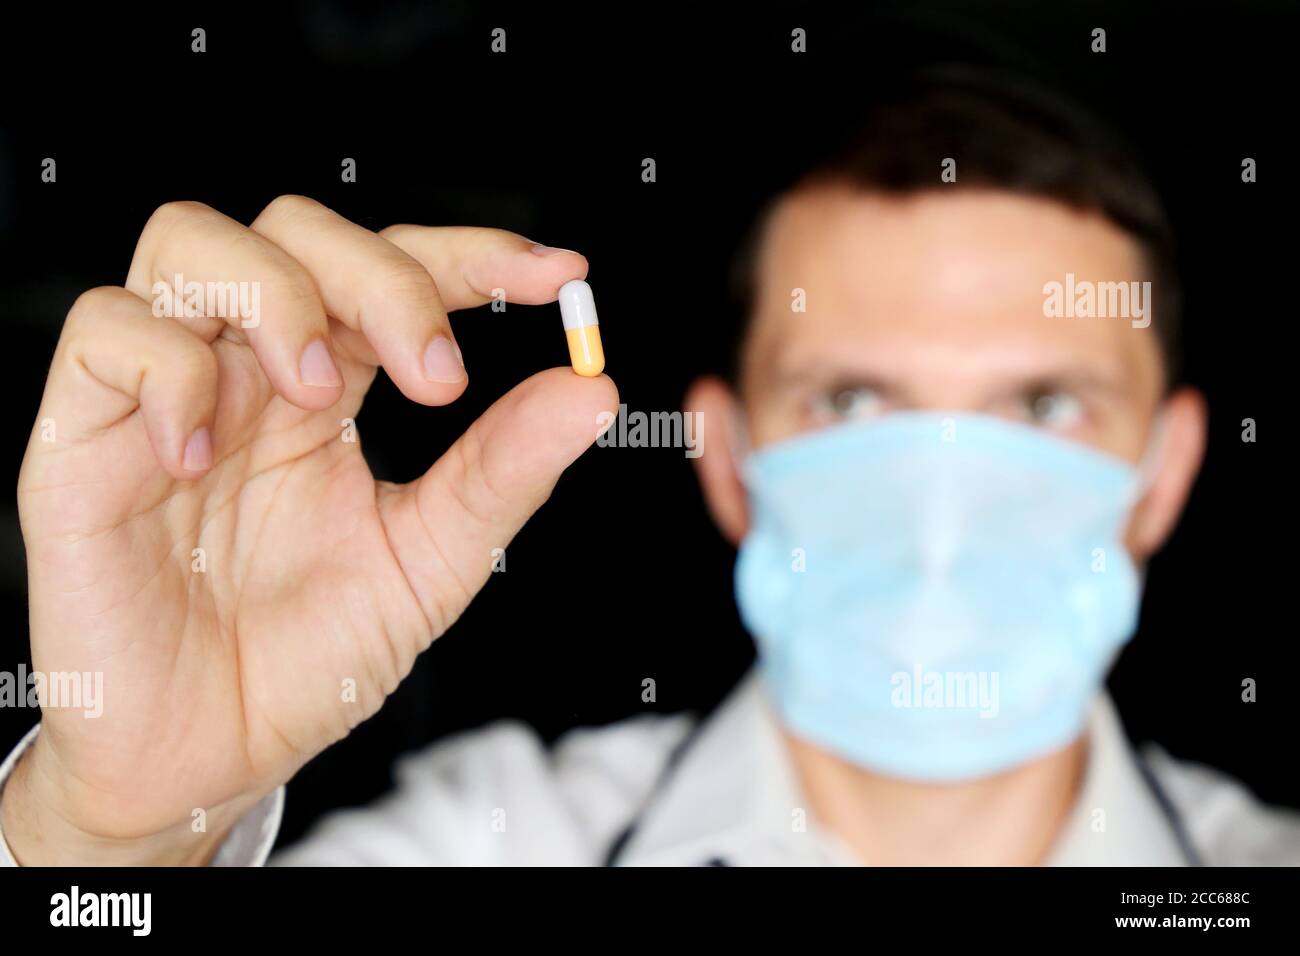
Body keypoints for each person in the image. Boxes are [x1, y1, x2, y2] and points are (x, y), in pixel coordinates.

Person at [2, 72, 1296, 867]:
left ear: (1168, 469)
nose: (939, 498)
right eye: (852, 400)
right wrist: (111, 839)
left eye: (1043, 405)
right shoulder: (491, 846)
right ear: (728, 461)